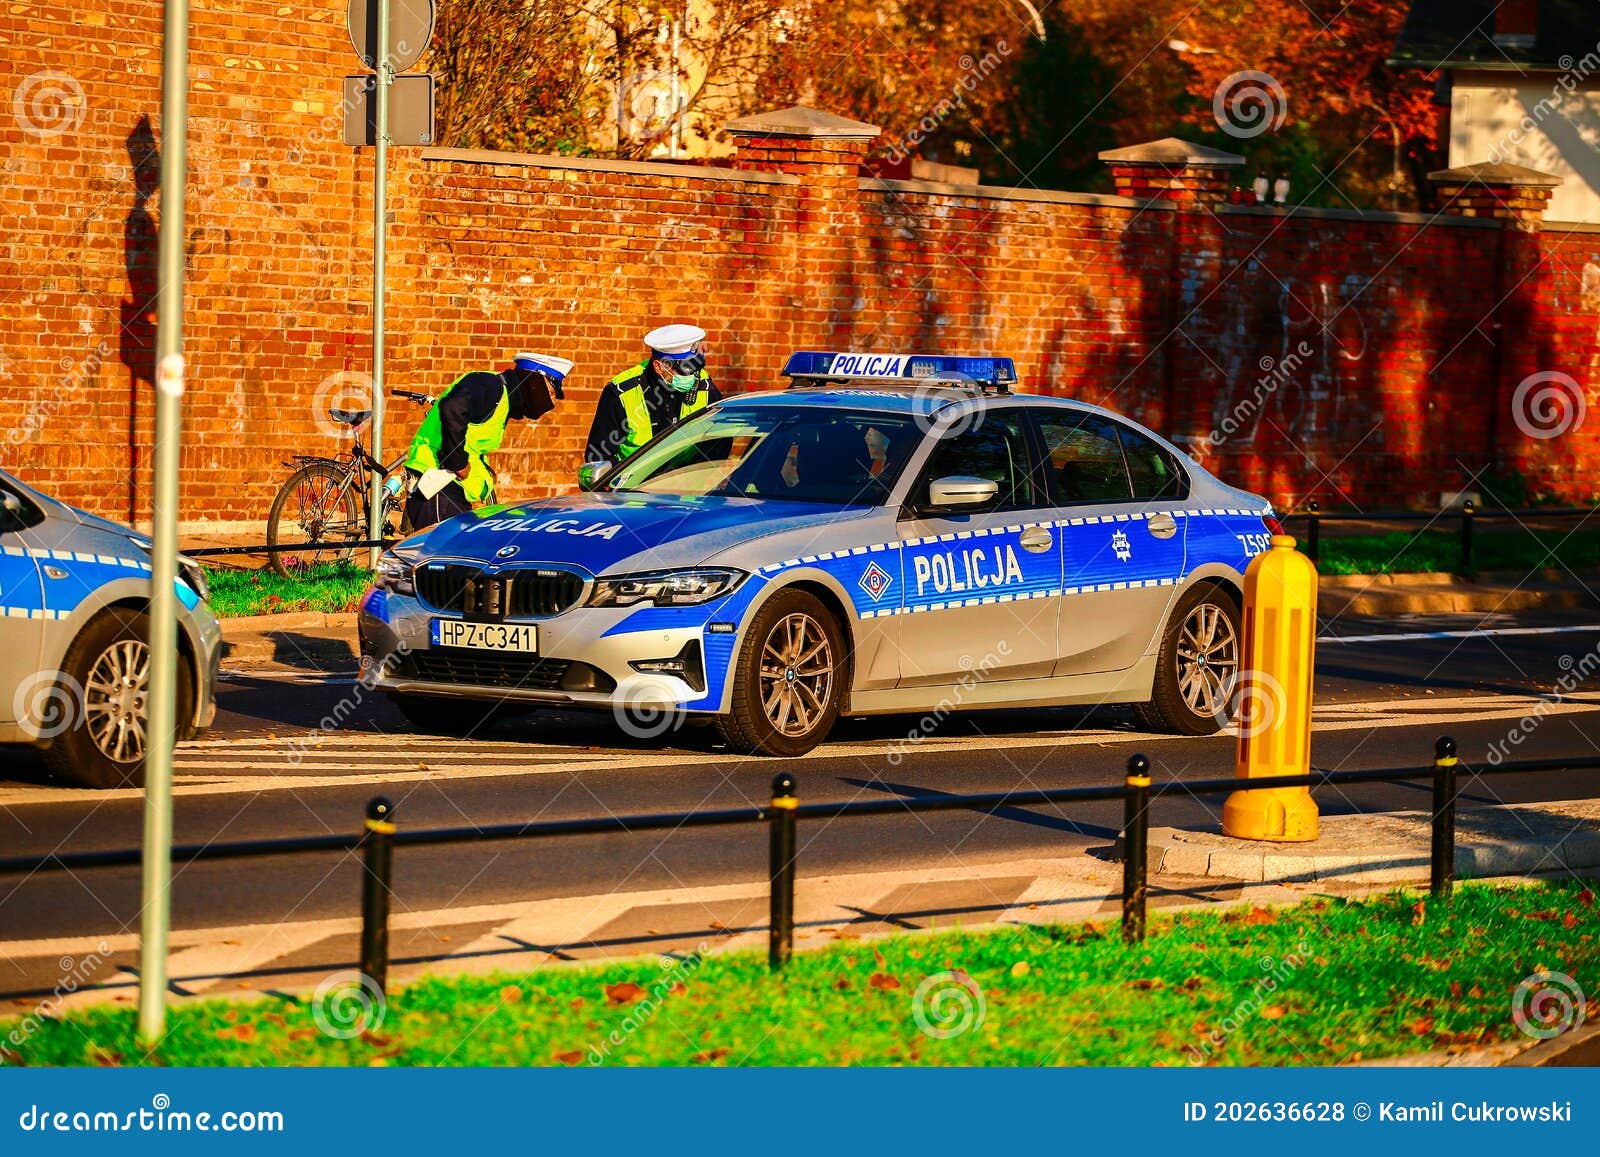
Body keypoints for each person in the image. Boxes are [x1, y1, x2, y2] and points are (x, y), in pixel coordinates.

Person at [403, 352, 571, 531]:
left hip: (451, 491)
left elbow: (473, 442)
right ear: (534, 383)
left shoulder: (503, 399)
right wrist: (457, 462)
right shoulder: (490, 385)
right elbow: (452, 407)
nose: (551, 402)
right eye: (551, 393)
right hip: (438, 485)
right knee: (443, 555)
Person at [583, 324, 720, 471]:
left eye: (695, 368)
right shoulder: (621, 392)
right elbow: (598, 455)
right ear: (659, 366)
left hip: (686, 486)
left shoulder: (704, 386)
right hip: (632, 489)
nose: (691, 377)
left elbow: (718, 445)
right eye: (684, 370)